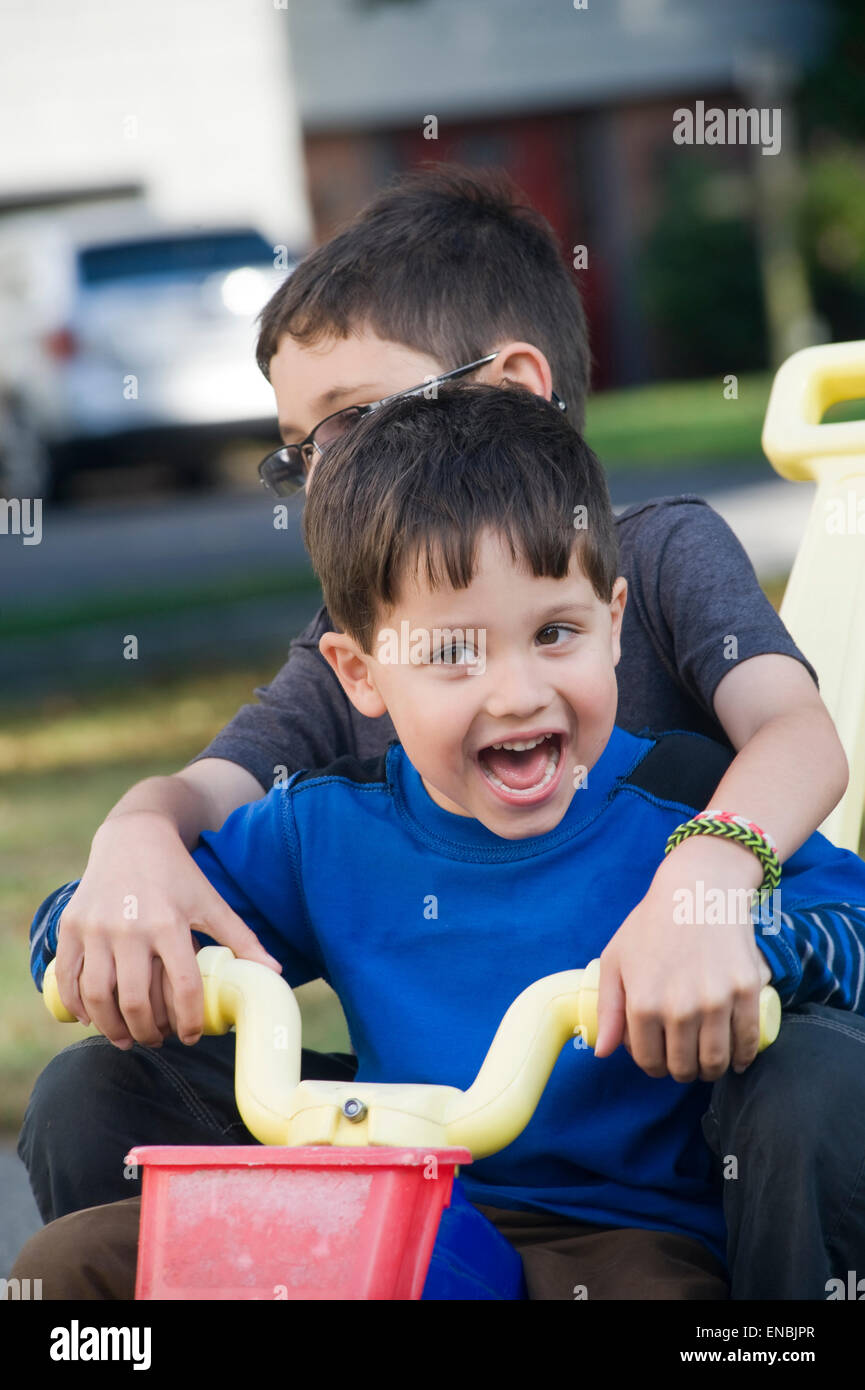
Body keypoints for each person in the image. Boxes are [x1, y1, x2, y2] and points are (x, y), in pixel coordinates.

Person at [17, 168, 863, 1300]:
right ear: (365, 675)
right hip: (412, 1144)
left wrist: (703, 896)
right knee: (89, 1108)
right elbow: (205, 796)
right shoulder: (353, 674)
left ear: (515, 386)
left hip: (654, 1131)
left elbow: (797, 737)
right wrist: (127, 863)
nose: (325, 473)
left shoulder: (653, 555)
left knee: (809, 1083)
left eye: (354, 421)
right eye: (300, 448)